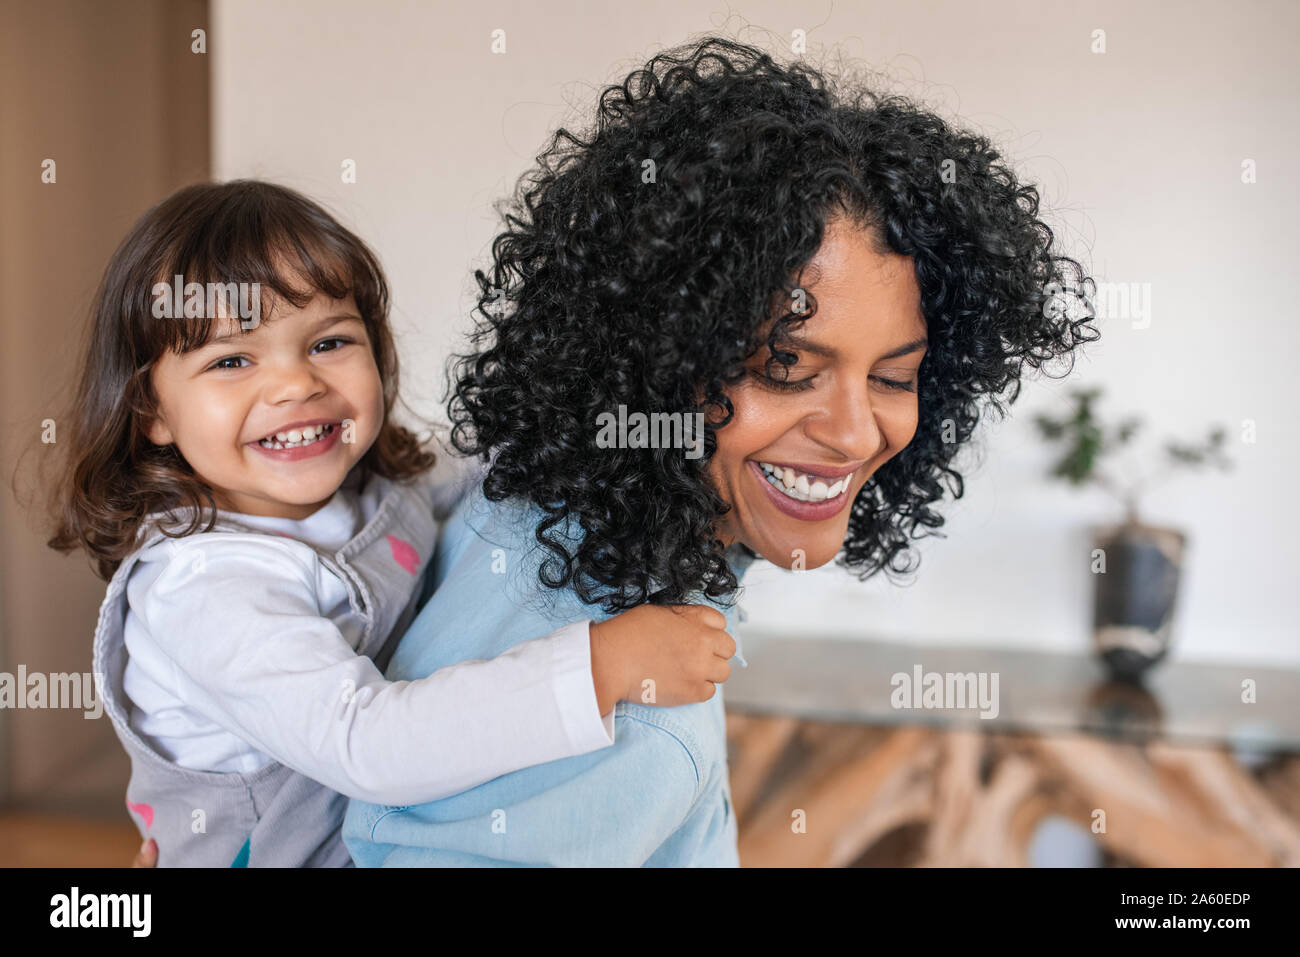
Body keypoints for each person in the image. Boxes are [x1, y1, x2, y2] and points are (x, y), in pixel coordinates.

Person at [343, 36, 1099, 866]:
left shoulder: (541, 511)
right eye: (787, 369)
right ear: (656, 362)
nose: (853, 431)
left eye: (893, 377)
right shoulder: (626, 706)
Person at [47, 180, 737, 867]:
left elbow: (495, 478)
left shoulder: (370, 489)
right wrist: (600, 665)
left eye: (329, 342)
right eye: (232, 359)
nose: (294, 384)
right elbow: (368, 743)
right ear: (152, 411)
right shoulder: (203, 589)